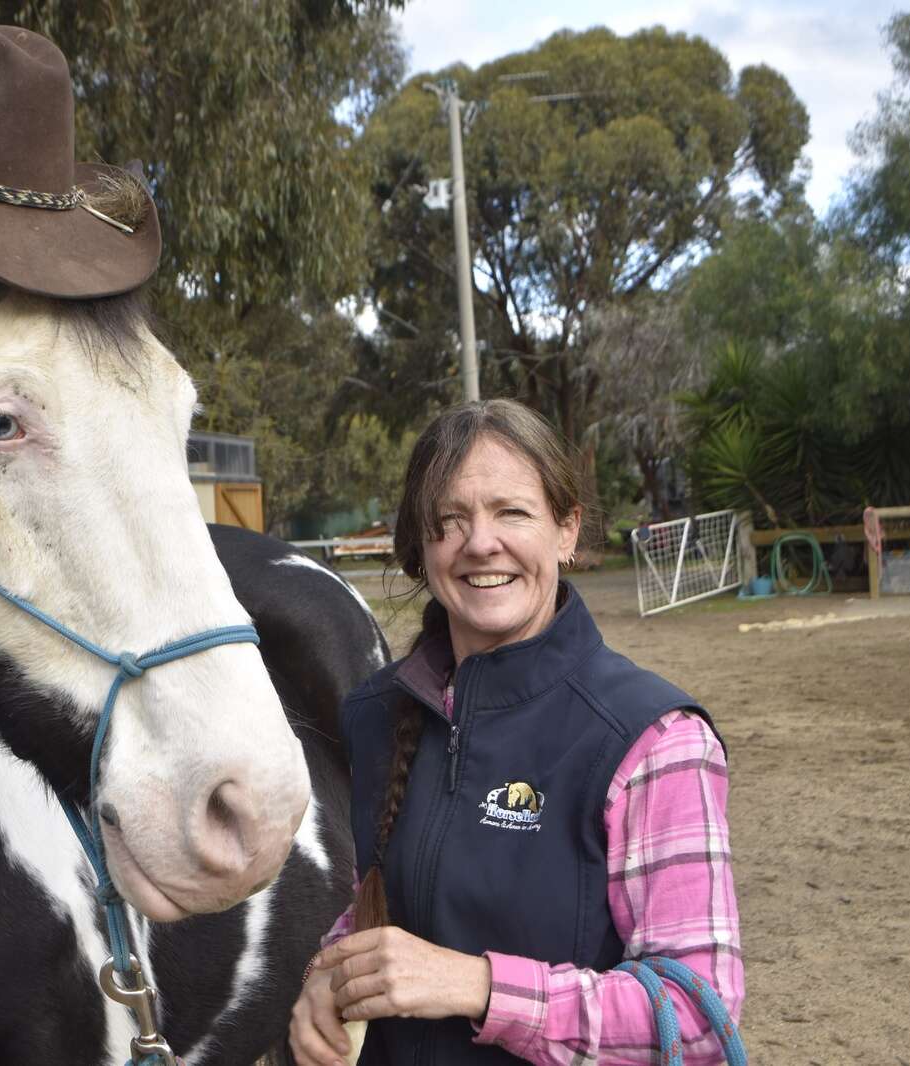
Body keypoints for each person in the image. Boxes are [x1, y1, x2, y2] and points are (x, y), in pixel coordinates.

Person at [289, 399, 742, 1065]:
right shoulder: (375, 715)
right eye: (450, 520)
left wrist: (480, 986)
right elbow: (379, 911)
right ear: (423, 547)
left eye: (512, 512)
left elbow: (698, 1014)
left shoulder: (654, 741)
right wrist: (325, 976)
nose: (479, 542)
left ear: (566, 530)